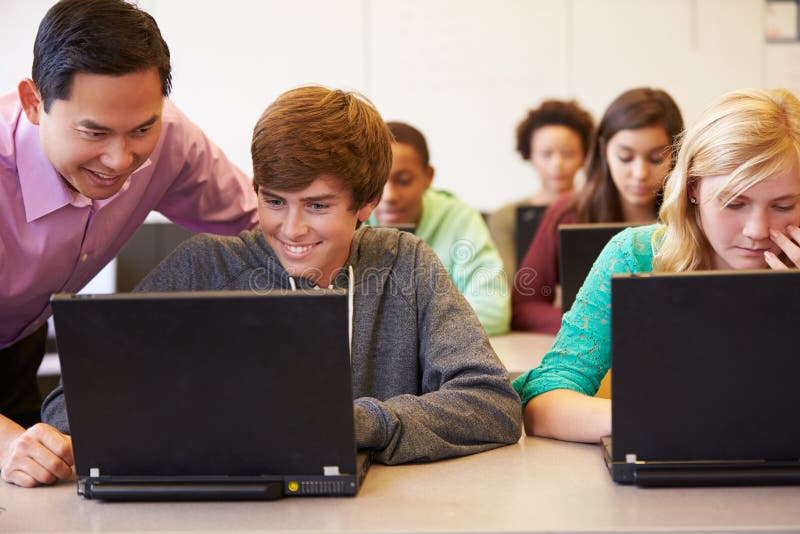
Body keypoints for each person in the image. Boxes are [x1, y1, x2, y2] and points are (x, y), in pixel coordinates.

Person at [41, 86, 522, 471]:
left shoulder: (405, 264)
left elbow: (493, 405)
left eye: (317, 205)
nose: (291, 230)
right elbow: (68, 405)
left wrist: (355, 423)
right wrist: (213, 424)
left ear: (367, 204)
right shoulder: (203, 266)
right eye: (274, 202)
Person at [0, 0, 258, 487]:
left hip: (20, 341)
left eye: (142, 128)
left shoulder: (172, 139)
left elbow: (265, 229)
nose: (121, 160)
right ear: (35, 103)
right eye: (93, 131)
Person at [513, 87, 800, 444]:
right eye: (734, 203)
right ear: (693, 186)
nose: (757, 231)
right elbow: (544, 399)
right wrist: (663, 419)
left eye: (784, 206)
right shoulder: (635, 254)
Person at [511, 88, 684, 334]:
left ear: (677, 155)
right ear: (604, 151)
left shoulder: (694, 215)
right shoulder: (569, 212)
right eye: (625, 157)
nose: (640, 173)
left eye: (656, 158)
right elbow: (524, 306)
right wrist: (597, 323)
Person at [369, 121, 510, 335]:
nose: (389, 196)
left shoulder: (459, 217)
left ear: (428, 177)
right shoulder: (349, 217)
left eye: (404, 181)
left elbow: (493, 311)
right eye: (378, 181)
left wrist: (398, 334)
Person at [488, 100, 595, 287]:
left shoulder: (597, 208)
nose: (558, 164)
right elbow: (505, 284)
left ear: (584, 155)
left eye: (568, 154)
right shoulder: (505, 217)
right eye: (546, 154)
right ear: (530, 155)